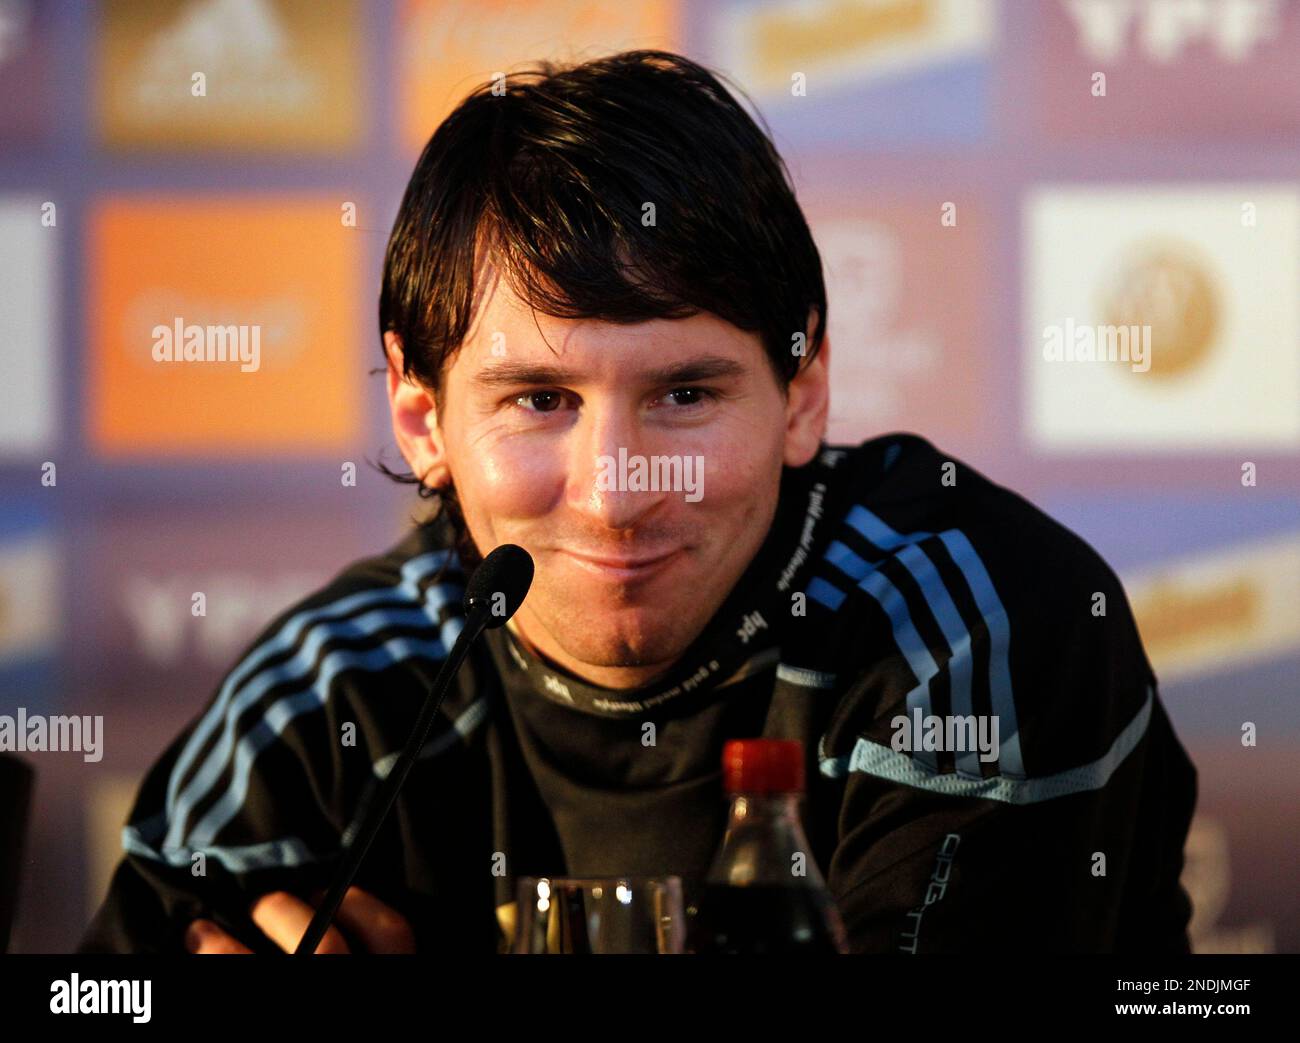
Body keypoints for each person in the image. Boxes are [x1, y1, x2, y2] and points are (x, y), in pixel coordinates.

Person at [80, 50, 1197, 954]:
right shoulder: (336, 687)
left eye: (683, 392)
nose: (618, 495)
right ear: (423, 420)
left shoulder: (977, 624)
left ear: (801, 394)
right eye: (537, 399)